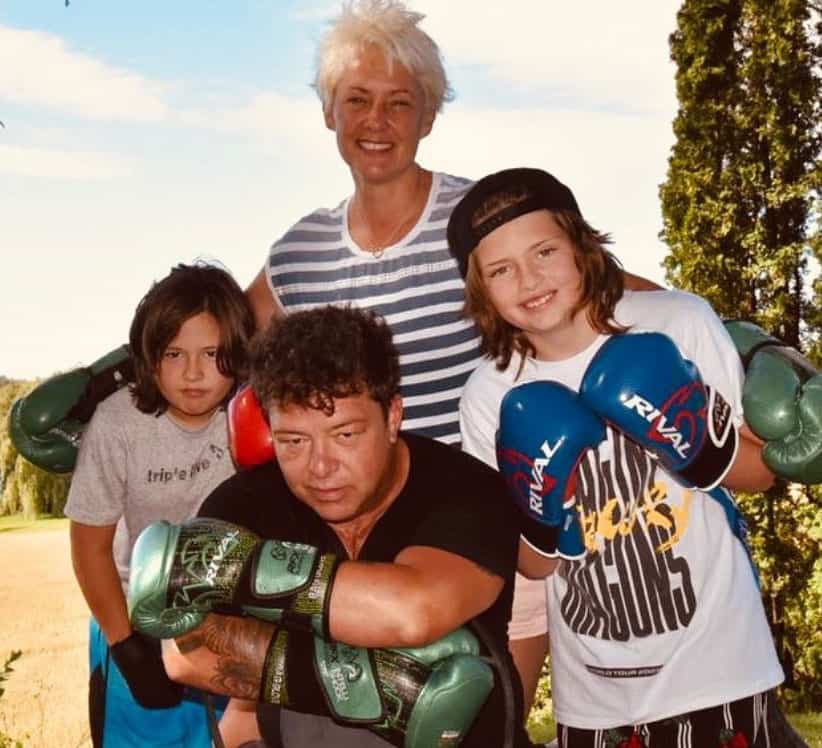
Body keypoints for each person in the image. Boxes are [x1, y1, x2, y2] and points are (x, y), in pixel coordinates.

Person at [241, 0, 653, 713]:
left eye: (402, 103)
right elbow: (215, 337)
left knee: (483, 725)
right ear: (328, 113)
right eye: (358, 101)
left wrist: (752, 346)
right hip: (357, 540)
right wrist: (103, 387)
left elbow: (604, 283)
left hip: (484, 523)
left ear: (430, 115)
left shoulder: (477, 224)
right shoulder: (297, 252)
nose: (378, 122)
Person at [447, 166, 787, 746]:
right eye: (500, 270)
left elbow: (762, 473)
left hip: (720, 672)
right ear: (480, 290)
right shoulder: (489, 395)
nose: (529, 279)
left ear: (582, 247)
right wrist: (540, 510)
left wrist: (700, 448)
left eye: (545, 251)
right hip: (595, 700)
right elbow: (530, 566)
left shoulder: (678, 322)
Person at [127, 305, 534, 747]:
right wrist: (371, 686)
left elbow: (413, 610)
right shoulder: (247, 501)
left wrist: (240, 570)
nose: (321, 467)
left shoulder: (467, 488)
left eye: (345, 435)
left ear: (393, 417)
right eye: (294, 441)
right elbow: (187, 652)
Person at [63, 263, 256, 747]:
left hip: (229, 629)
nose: (193, 373)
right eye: (174, 354)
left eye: (212, 354)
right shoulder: (117, 423)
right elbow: (90, 547)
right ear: (148, 359)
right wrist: (125, 645)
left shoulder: (257, 415)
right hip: (130, 622)